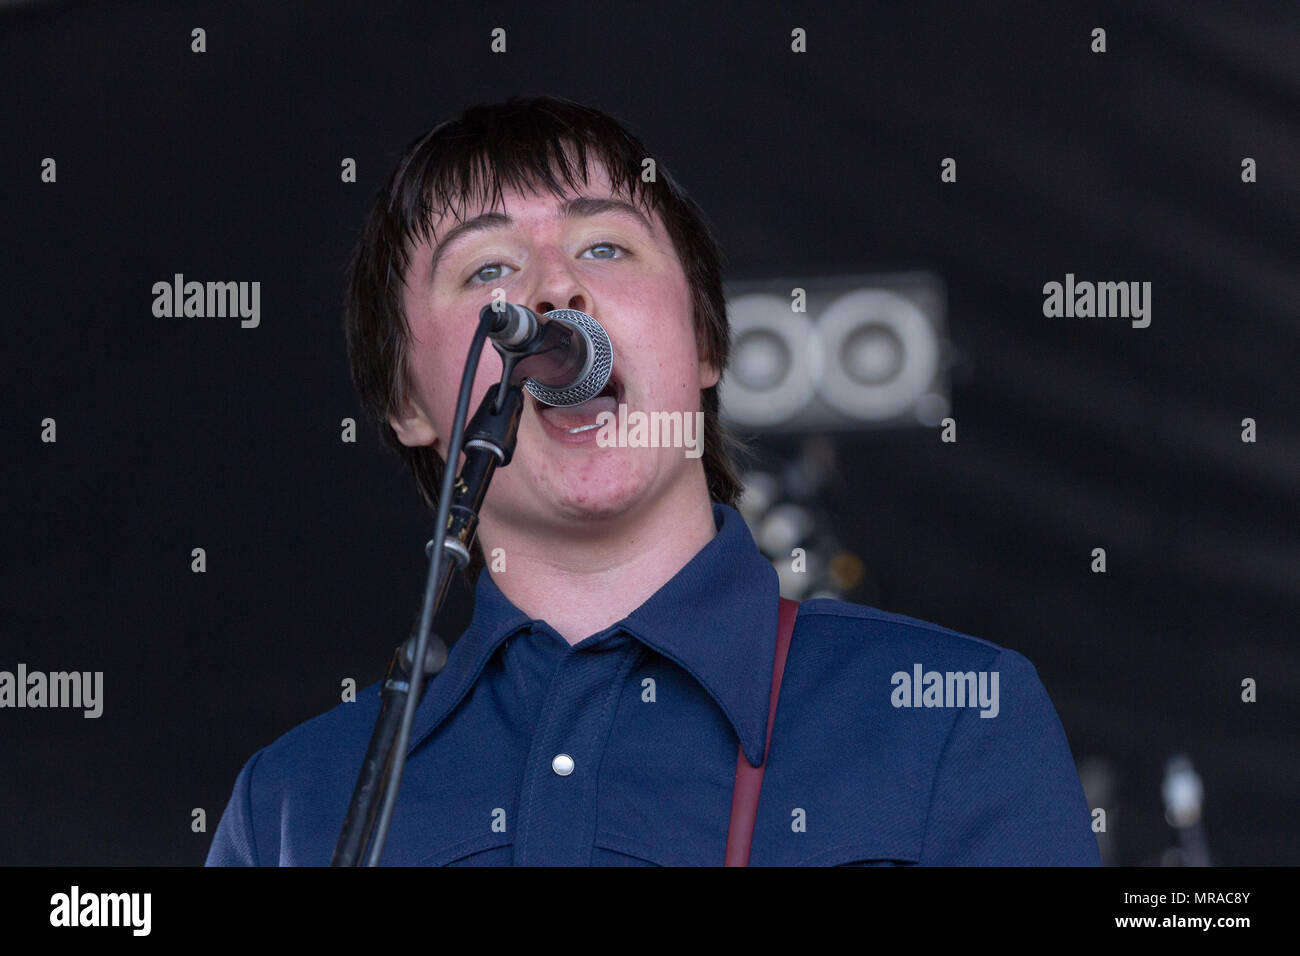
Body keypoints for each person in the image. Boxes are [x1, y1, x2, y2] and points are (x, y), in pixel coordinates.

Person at [206, 95, 1100, 866]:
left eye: (604, 248)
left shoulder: (953, 718)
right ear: (408, 402)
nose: (552, 287)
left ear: (707, 344)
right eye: (487, 268)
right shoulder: (293, 804)